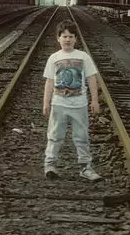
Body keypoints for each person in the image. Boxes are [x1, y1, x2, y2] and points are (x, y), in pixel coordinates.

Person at [41, 20, 102, 181]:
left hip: (79, 104)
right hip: (58, 103)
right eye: (64, 36)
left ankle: (85, 167)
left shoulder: (83, 57)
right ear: (58, 38)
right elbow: (49, 82)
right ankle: (50, 164)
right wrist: (46, 102)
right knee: (54, 135)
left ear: (76, 39)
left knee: (81, 136)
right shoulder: (54, 58)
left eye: (71, 36)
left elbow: (91, 79)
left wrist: (94, 100)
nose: (67, 40)